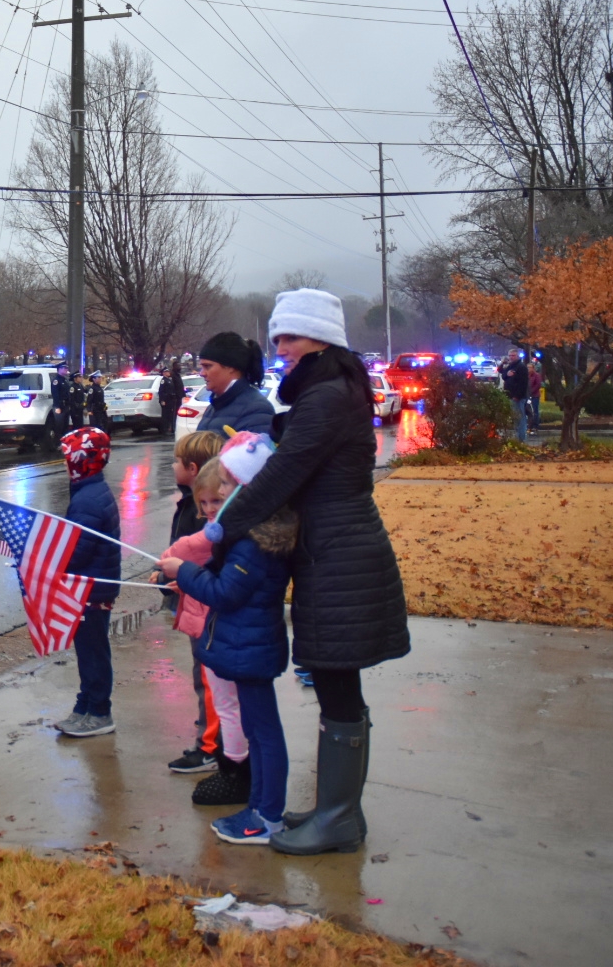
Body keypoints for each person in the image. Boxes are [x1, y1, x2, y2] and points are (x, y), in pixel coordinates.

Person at [209, 288, 410, 855]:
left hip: (340, 558)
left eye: (291, 337)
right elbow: (288, 448)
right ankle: (335, 810)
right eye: (277, 339)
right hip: (334, 552)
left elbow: (280, 480)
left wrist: (215, 531)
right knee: (332, 681)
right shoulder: (327, 393)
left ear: (323, 337)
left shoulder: (326, 399)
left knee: (338, 683)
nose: (282, 350)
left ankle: (340, 818)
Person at [161, 444, 296, 845]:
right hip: (245, 645)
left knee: (265, 734)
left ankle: (268, 815)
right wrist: (185, 575)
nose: (211, 508)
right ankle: (257, 806)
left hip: (251, 647)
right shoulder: (246, 534)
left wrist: (184, 571)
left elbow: (226, 593)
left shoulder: (253, 542)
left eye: (226, 491)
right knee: (256, 731)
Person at [163, 429, 228, 775]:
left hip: (207, 619)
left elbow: (189, 550)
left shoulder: (210, 524)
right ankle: (211, 739)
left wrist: (172, 566)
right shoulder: (193, 507)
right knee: (205, 682)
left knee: (210, 684)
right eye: (205, 505)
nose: (208, 511)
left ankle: (211, 747)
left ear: (192, 467)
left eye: (176, 461)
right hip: (198, 608)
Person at [54, 426, 120, 738]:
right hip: (93, 586)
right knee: (89, 650)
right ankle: (86, 704)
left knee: (93, 651)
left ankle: (100, 711)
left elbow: (77, 550)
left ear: (82, 461)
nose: (64, 463)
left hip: (91, 589)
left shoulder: (88, 501)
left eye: (68, 457)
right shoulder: (89, 493)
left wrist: (51, 562)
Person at [196, 332, 274, 437]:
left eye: (207, 366)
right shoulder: (214, 406)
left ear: (231, 367)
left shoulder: (257, 409)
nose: (202, 373)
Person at [499, 348, 529, 444]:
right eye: (510, 355)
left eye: (513, 355)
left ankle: (521, 438)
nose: (511, 357)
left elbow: (523, 383)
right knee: (515, 418)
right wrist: (506, 372)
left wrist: (518, 395)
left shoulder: (521, 367)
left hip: (518, 397)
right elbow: (503, 375)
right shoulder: (511, 366)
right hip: (510, 395)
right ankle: (517, 437)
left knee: (520, 417)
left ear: (518, 356)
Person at [159, 358, 185, 430]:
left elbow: (180, 387)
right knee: (173, 414)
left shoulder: (177, 375)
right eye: (178, 366)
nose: (179, 367)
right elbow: (167, 389)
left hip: (180, 398)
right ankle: (173, 428)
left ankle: (174, 427)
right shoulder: (172, 376)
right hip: (175, 398)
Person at [528, 359, 544, 434]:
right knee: (528, 411)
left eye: (530, 367)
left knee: (535, 411)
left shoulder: (536, 375)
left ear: (533, 368)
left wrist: (531, 392)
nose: (528, 369)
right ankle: (529, 426)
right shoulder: (527, 375)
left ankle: (536, 426)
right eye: (527, 367)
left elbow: (538, 385)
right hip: (527, 395)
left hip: (535, 396)